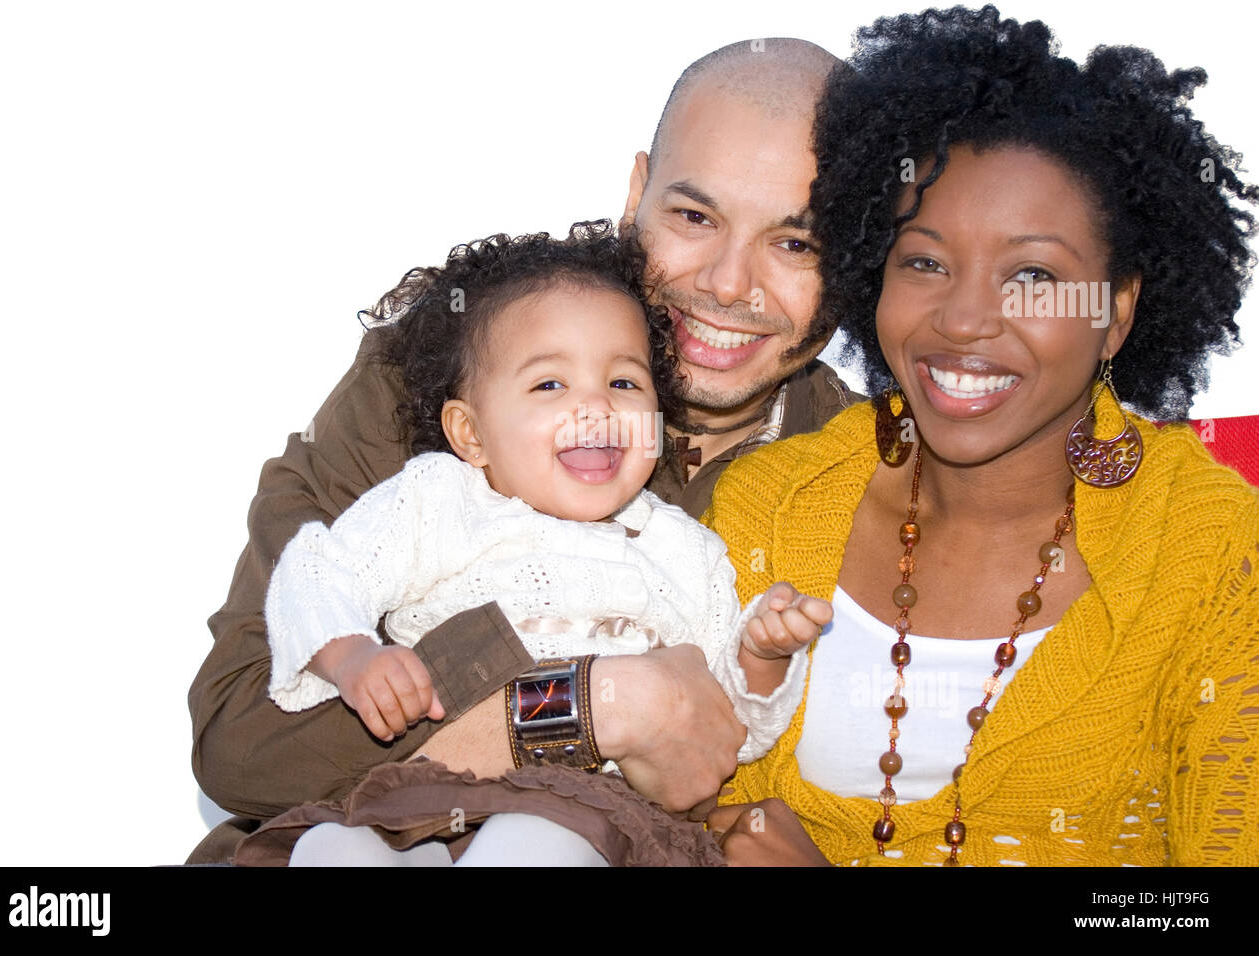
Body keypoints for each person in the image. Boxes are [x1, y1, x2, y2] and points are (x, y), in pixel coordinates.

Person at [187, 37, 859, 861]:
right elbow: (246, 752)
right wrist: (592, 701)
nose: (727, 282)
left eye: (796, 244)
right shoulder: (444, 369)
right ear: (637, 192)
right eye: (694, 217)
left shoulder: (871, 471)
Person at [706, 5, 1259, 866]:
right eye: (924, 261)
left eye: (1032, 277)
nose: (963, 321)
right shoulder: (768, 505)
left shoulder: (1217, 555)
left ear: (1114, 313)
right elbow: (665, 803)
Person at [232, 223, 830, 865]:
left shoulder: (685, 551)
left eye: (624, 383)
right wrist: (350, 656)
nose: (595, 405)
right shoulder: (440, 500)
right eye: (550, 385)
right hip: (431, 793)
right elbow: (321, 571)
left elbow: (723, 732)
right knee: (332, 845)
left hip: (591, 817)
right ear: (470, 434)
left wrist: (760, 657)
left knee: (535, 842)